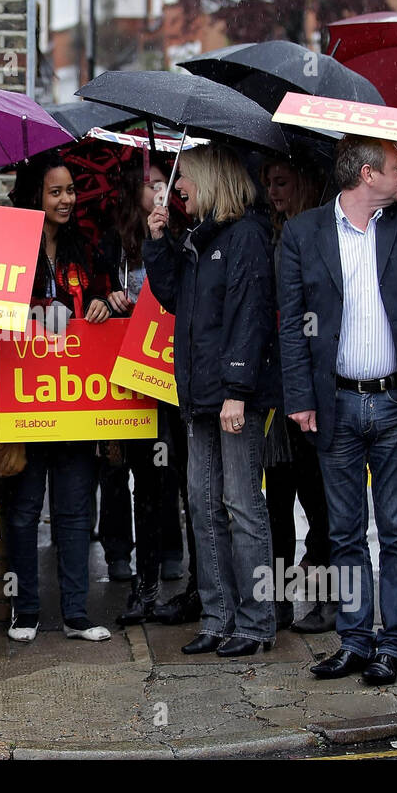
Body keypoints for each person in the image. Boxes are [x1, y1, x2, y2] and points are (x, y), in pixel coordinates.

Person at [278, 134, 397, 687]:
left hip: (395, 403)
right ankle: (356, 640)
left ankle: (395, 643)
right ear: (366, 174)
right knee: (344, 533)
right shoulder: (303, 233)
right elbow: (291, 323)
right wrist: (300, 398)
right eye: (395, 167)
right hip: (335, 403)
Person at [144, 143, 281, 657]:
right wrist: (158, 243)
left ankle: (256, 622)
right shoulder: (199, 237)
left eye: (185, 177)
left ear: (212, 179)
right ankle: (218, 616)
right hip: (200, 396)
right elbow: (175, 299)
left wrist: (237, 392)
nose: (177, 187)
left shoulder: (246, 235)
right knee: (203, 506)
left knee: (242, 506)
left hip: (231, 398)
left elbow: (250, 316)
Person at [4, 152, 113, 643]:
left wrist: (103, 304)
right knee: (25, 513)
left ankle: (76, 614)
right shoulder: (9, 249)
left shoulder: (85, 246)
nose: (67, 199)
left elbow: (109, 299)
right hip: (24, 401)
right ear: (35, 196)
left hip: (73, 401)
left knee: (74, 513)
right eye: (56, 192)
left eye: (70, 190)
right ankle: (25, 611)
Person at [96, 156, 184, 624]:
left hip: (169, 369)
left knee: (167, 473)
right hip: (125, 372)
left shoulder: (180, 234)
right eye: (150, 184)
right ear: (134, 191)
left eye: (164, 183)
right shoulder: (114, 241)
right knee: (125, 472)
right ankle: (133, 571)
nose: (159, 191)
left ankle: (170, 565)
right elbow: (94, 292)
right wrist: (109, 299)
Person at [259, 159, 335, 633]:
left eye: (282, 182)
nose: (273, 191)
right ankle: (280, 601)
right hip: (275, 388)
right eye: (268, 183)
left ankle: (327, 601)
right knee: (277, 501)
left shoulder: (319, 236)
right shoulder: (270, 235)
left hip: (310, 389)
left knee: (317, 499)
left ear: (304, 182)